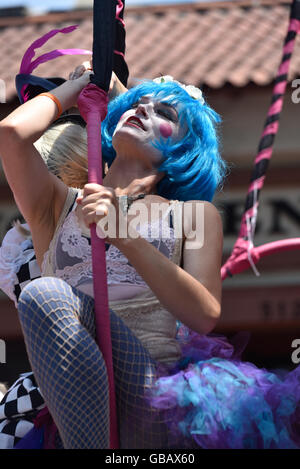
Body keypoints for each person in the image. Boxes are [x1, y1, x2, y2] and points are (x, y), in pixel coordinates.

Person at [0, 62, 299, 450]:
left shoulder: (192, 215)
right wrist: (77, 88)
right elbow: (11, 134)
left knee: (45, 292)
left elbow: (203, 314)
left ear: (184, 147)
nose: (143, 110)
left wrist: (123, 233)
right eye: (137, 104)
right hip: (73, 403)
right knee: (42, 293)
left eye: (165, 113)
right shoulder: (57, 205)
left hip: (147, 393)